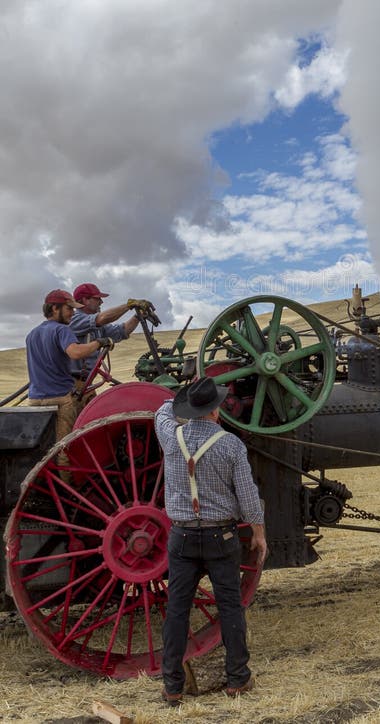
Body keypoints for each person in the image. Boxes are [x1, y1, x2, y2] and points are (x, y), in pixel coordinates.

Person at [154, 377, 267, 706]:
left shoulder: (171, 437)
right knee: (230, 607)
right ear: (216, 411)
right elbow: (248, 497)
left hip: (182, 536)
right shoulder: (231, 445)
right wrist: (259, 534)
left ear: (190, 410)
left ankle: (172, 686)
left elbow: (162, 411)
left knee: (177, 611)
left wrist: (178, 393)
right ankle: (237, 679)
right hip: (221, 536)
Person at [26, 289, 115, 444]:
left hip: (34, 399)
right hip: (59, 398)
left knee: (42, 446)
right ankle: (64, 469)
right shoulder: (62, 330)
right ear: (54, 308)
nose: (73, 313)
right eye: (69, 309)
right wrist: (100, 342)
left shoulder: (32, 334)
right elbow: (76, 353)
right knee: (64, 447)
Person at [69, 282, 148, 392]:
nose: (101, 302)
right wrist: (129, 305)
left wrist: (137, 317)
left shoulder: (98, 326)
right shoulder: (75, 319)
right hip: (69, 384)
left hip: (85, 382)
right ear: (85, 300)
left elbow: (122, 331)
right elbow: (102, 318)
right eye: (97, 299)